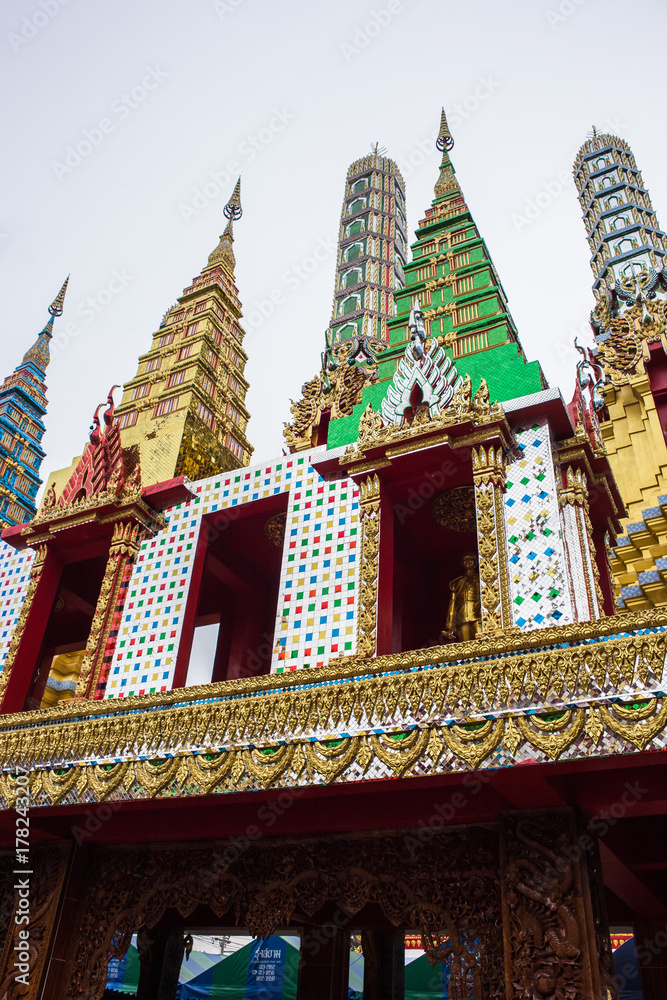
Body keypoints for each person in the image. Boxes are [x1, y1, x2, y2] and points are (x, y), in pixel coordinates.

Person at [442, 552, 481, 642]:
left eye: (469, 560)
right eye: (464, 560)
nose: (467, 562)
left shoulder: (480, 579)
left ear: (475, 563)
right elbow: (452, 604)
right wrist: (450, 626)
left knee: (481, 640)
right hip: (462, 615)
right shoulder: (458, 582)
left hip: (477, 614)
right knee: (466, 643)